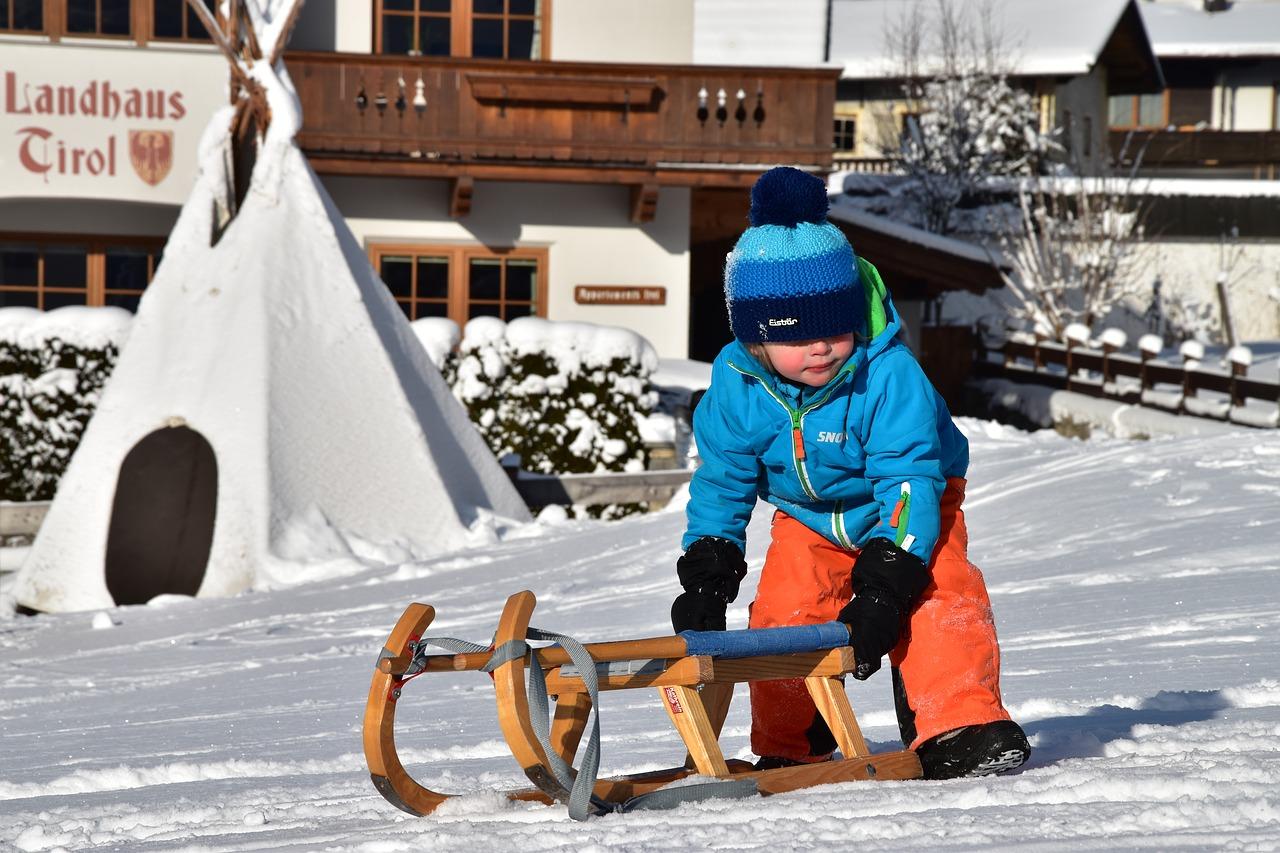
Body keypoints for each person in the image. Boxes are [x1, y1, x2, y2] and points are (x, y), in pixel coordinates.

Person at [671, 166, 1029, 780]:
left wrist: (885, 586)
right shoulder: (737, 384)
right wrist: (709, 573)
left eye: (835, 328)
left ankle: (960, 723)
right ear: (756, 339)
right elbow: (722, 482)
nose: (821, 348)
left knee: (939, 597)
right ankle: (790, 743)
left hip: (914, 506)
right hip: (809, 518)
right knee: (784, 615)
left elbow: (910, 480)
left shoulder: (888, 376)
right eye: (796, 335)